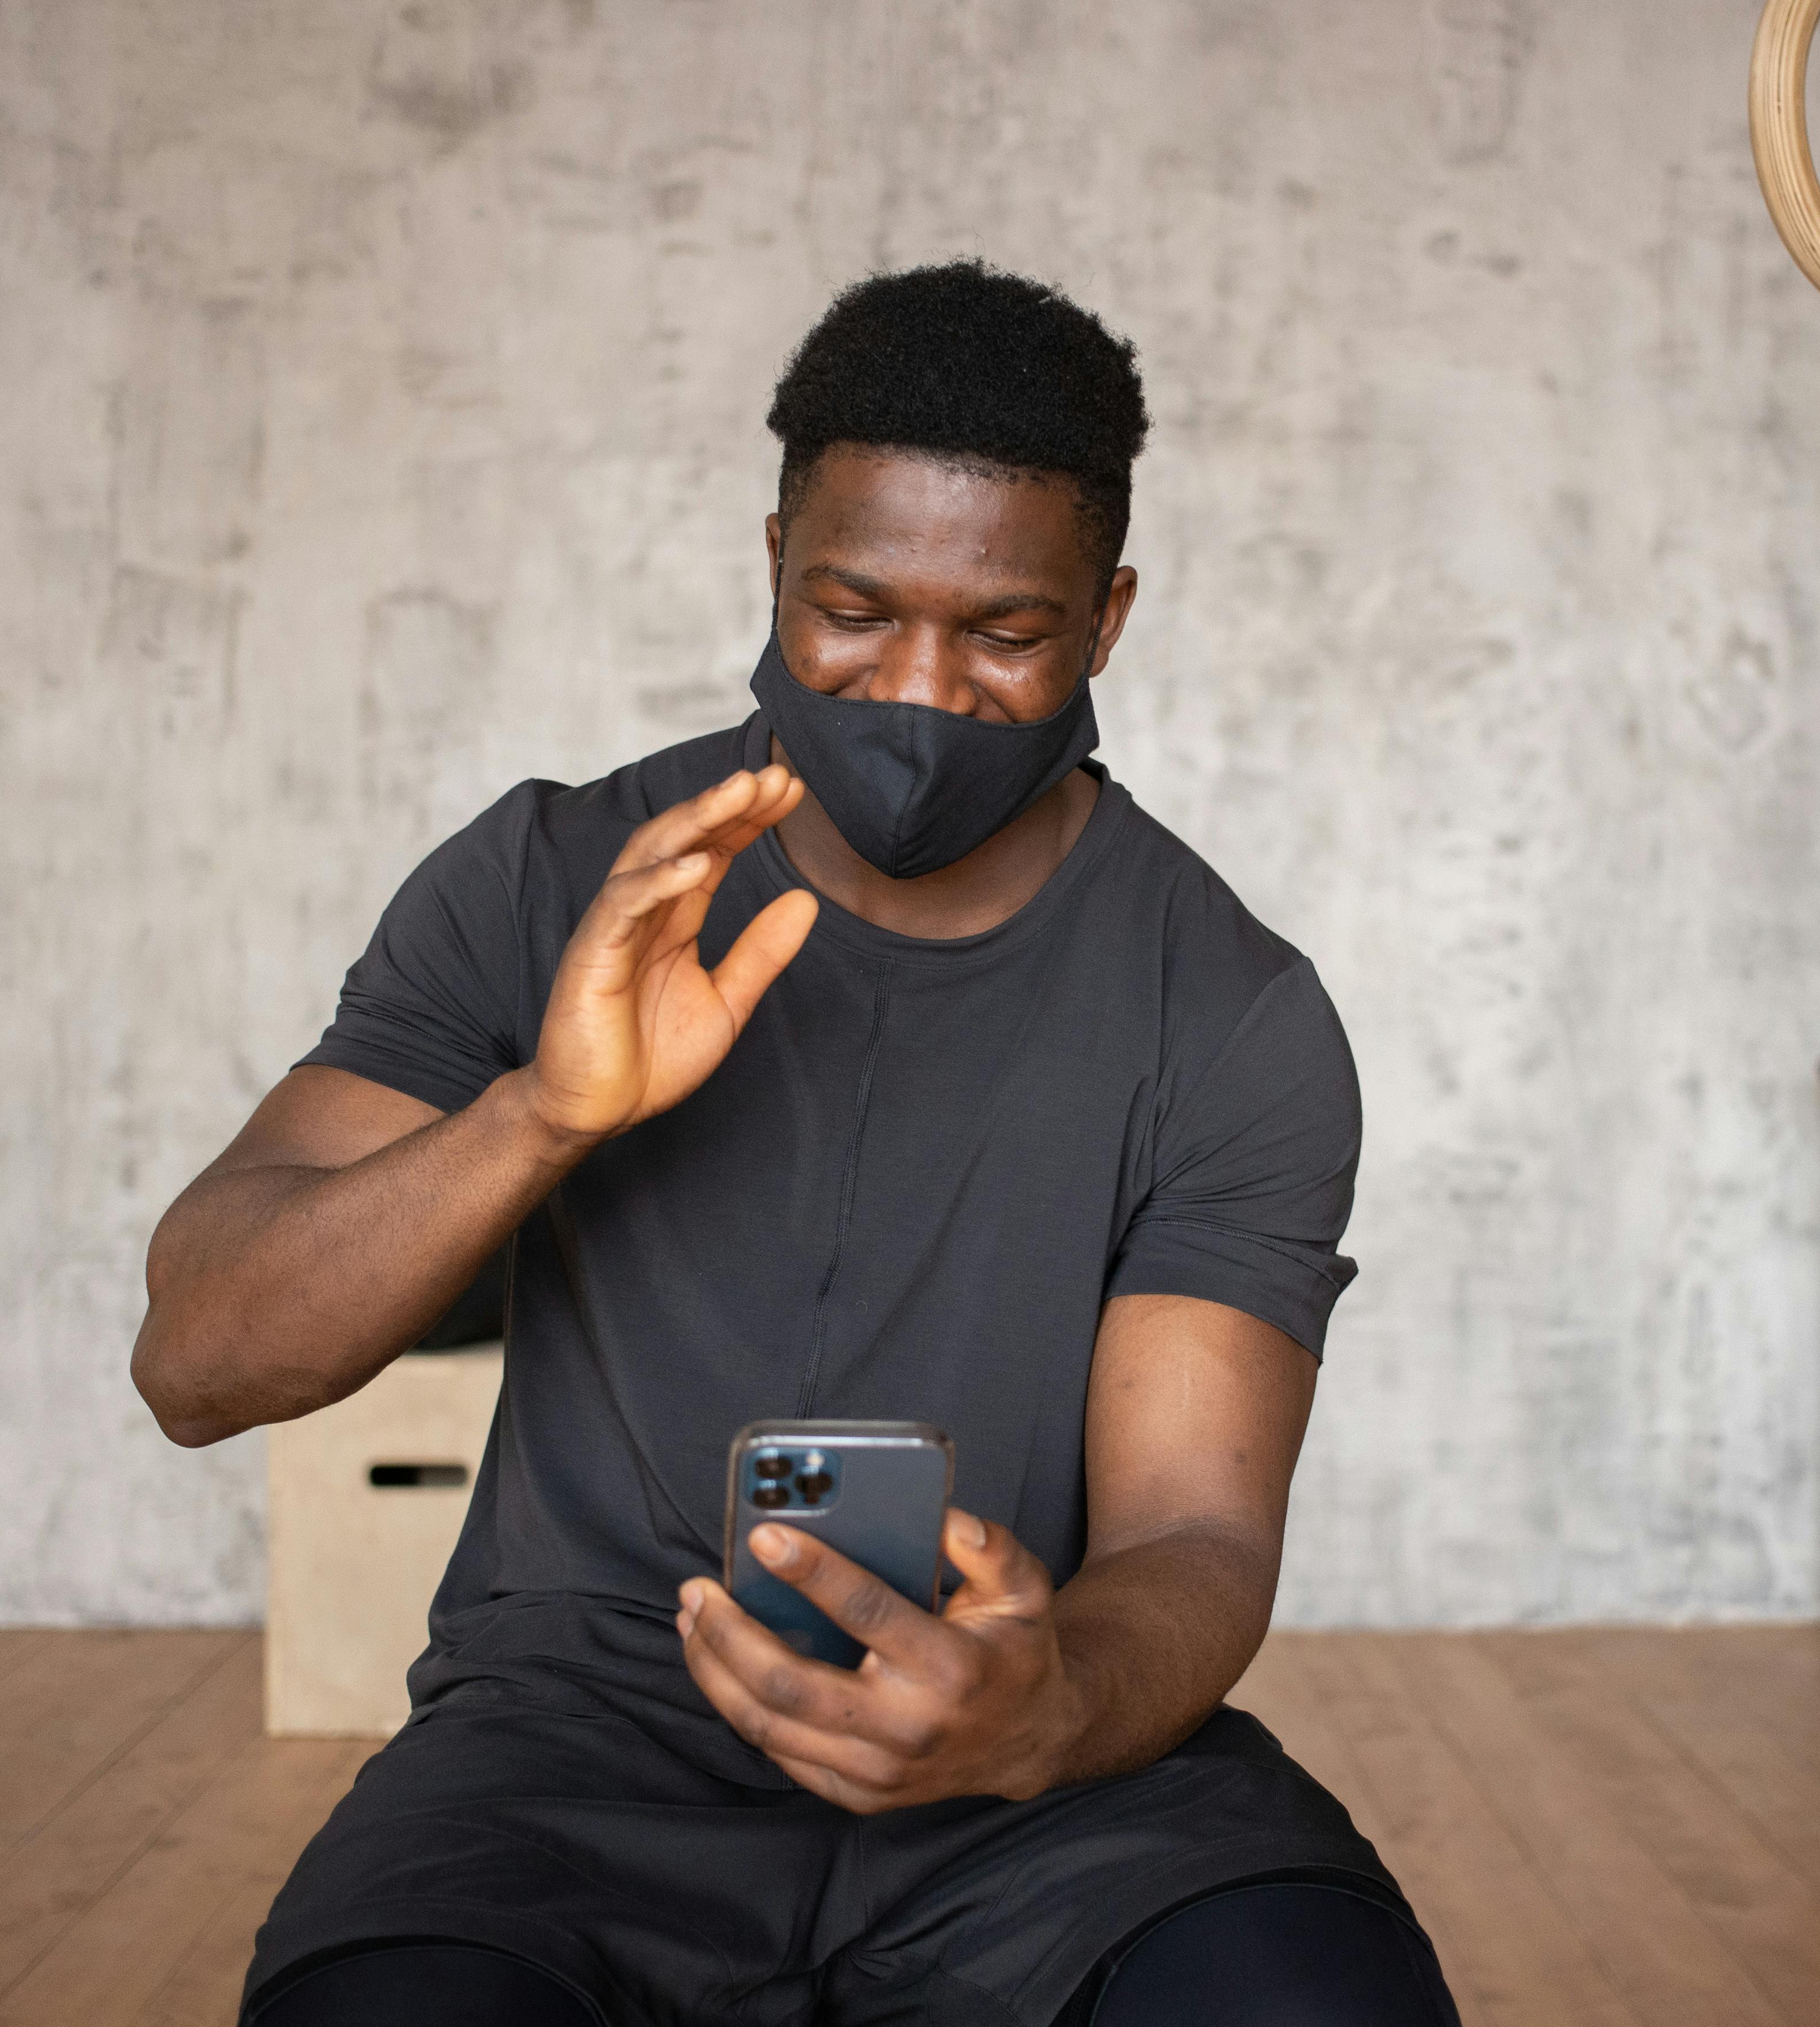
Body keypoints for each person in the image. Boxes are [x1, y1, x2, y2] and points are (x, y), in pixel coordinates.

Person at [131, 261, 1459, 2027]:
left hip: (1030, 1773)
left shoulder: (1230, 1013)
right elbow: (204, 1365)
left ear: (1107, 618)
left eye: (1002, 634)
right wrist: (546, 1110)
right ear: (770, 562)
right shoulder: (548, 885)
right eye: (852, 609)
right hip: (573, 1758)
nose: (917, 690)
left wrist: (1043, 1704)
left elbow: (1195, 1533)